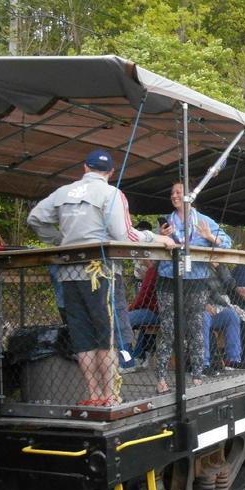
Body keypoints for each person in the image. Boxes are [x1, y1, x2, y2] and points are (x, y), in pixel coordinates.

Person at [27, 149, 175, 407]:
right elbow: (124, 235)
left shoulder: (63, 193)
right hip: (102, 274)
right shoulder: (112, 194)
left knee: (82, 335)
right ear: (111, 173)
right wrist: (158, 238)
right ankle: (110, 395)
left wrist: (60, 241)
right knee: (106, 335)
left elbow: (35, 218)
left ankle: (94, 395)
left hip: (70, 274)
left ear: (85, 167)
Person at [154, 182, 231, 392]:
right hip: (168, 279)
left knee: (196, 327)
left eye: (179, 192)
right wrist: (161, 236)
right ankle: (161, 378)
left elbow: (227, 242)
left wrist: (208, 236)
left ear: (190, 196)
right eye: (172, 192)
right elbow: (152, 244)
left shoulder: (204, 221)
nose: (174, 196)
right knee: (168, 329)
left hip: (196, 281)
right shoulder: (166, 221)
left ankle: (197, 375)